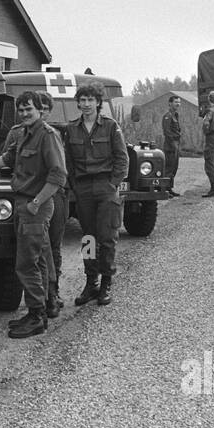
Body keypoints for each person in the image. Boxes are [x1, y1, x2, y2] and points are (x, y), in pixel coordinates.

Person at [0, 91, 67, 338]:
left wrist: (36, 203)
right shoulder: (26, 134)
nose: (25, 113)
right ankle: (37, 310)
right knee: (37, 260)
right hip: (23, 204)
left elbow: (58, 176)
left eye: (30, 109)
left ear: (40, 110)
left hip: (34, 206)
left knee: (26, 263)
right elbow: (7, 158)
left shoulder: (48, 136)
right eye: (22, 110)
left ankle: (37, 316)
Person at [63, 83, 128, 307]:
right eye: (82, 100)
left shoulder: (110, 126)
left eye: (90, 100)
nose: (86, 104)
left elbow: (122, 158)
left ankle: (107, 282)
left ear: (98, 102)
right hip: (83, 189)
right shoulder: (71, 129)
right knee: (88, 238)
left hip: (105, 187)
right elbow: (68, 161)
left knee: (107, 237)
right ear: (78, 103)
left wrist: (113, 185)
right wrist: (74, 184)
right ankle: (92, 282)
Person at [36, 91, 68, 318]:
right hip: (31, 195)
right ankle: (38, 295)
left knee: (54, 246)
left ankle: (52, 293)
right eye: (39, 107)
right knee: (36, 247)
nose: (43, 111)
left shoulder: (60, 134)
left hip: (56, 195)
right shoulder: (17, 133)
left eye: (46, 107)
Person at [160, 95, 182, 196]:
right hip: (170, 145)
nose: (178, 104)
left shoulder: (176, 115)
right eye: (175, 102)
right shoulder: (167, 116)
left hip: (176, 144)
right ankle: (164, 190)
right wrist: (173, 144)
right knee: (168, 168)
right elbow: (167, 132)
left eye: (179, 102)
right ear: (170, 103)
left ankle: (169, 189)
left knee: (174, 168)